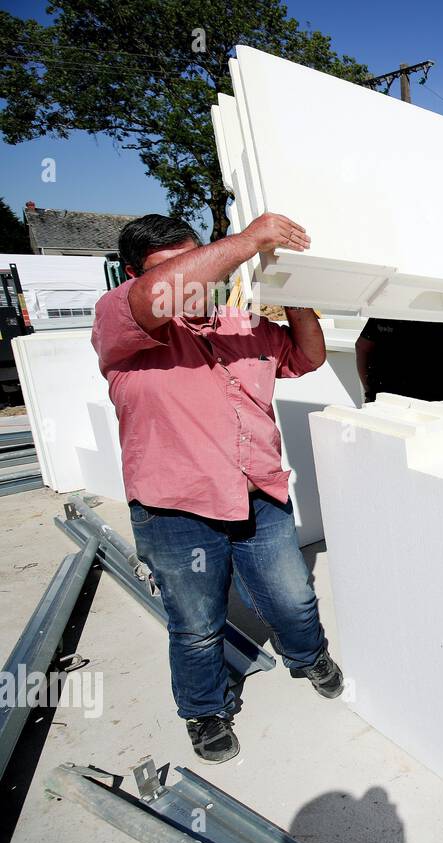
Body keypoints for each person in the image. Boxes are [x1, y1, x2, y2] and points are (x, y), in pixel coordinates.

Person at [91, 211, 344, 764]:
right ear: (132, 275)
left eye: (194, 260)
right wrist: (249, 239)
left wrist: (294, 291)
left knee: (294, 600)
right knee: (197, 625)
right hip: (175, 509)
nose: (194, 281)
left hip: (260, 494)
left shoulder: (241, 326)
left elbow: (309, 356)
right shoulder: (119, 320)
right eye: (172, 269)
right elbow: (161, 294)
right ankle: (205, 711)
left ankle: (309, 657)